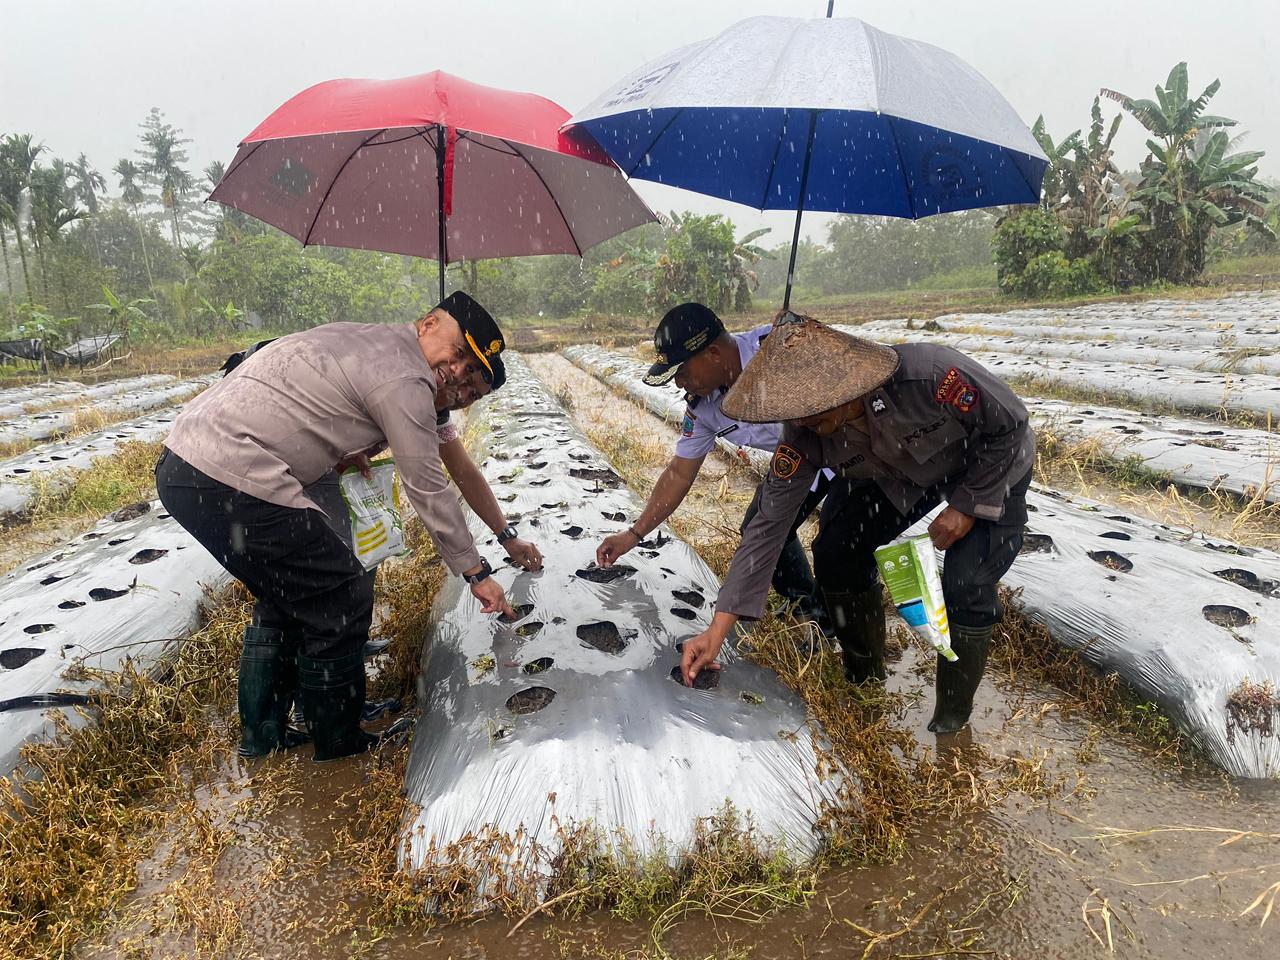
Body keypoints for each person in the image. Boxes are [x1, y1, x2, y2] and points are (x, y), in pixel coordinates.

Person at [156, 292, 528, 761]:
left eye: (472, 382)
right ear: (428, 324)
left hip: (187, 468)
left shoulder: (372, 343)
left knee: (292, 595)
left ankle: (265, 733)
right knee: (341, 593)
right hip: (230, 473)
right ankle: (337, 737)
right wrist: (475, 571)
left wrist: (347, 446)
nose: (457, 376)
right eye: (459, 357)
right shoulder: (406, 376)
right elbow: (427, 482)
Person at [680, 312, 1034, 734]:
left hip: (989, 468)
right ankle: (865, 678)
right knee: (837, 551)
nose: (805, 424)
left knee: (966, 581)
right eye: (796, 415)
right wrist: (717, 630)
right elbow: (766, 528)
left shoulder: (931, 375)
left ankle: (951, 721)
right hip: (902, 474)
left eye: (813, 411)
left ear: (845, 383)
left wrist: (967, 505)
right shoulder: (806, 434)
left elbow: (1011, 427)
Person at [596, 302, 829, 630]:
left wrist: (804, 340)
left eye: (683, 372)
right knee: (759, 527)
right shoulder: (702, 407)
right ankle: (805, 604)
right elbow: (679, 472)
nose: (679, 384)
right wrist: (633, 534)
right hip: (796, 463)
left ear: (715, 354)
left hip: (847, 448)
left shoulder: (781, 348)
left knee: (838, 547)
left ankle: (847, 633)